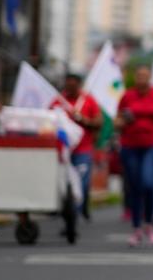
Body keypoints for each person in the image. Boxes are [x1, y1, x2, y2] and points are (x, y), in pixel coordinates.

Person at [116, 63, 153, 248]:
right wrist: (123, 121)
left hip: (151, 146)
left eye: (144, 75)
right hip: (130, 146)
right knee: (135, 186)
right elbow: (117, 120)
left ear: (150, 78)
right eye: (138, 75)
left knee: (148, 183)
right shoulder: (127, 96)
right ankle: (136, 229)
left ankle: (150, 224)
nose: (141, 79)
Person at [52, 72, 102, 221]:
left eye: (73, 84)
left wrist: (83, 120)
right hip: (62, 151)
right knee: (65, 183)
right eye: (68, 84)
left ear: (79, 85)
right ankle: (71, 215)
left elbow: (98, 122)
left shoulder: (88, 100)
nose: (70, 87)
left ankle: (77, 210)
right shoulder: (58, 101)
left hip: (83, 150)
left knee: (82, 183)